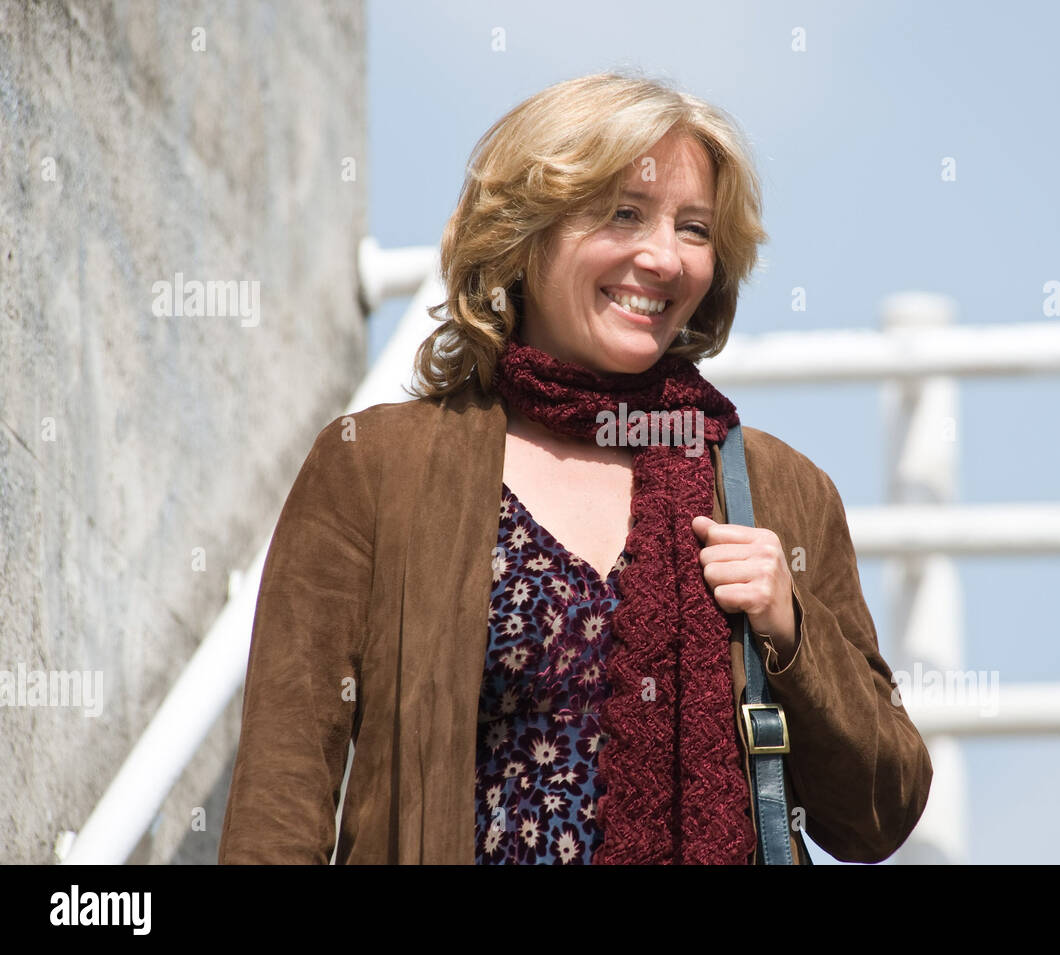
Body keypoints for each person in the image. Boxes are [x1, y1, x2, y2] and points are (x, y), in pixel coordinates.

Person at [219, 71, 932, 866]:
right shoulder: (374, 469)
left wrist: (792, 629)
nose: (663, 257)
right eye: (624, 213)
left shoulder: (777, 490)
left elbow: (881, 811)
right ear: (528, 231)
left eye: (694, 229)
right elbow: (279, 809)